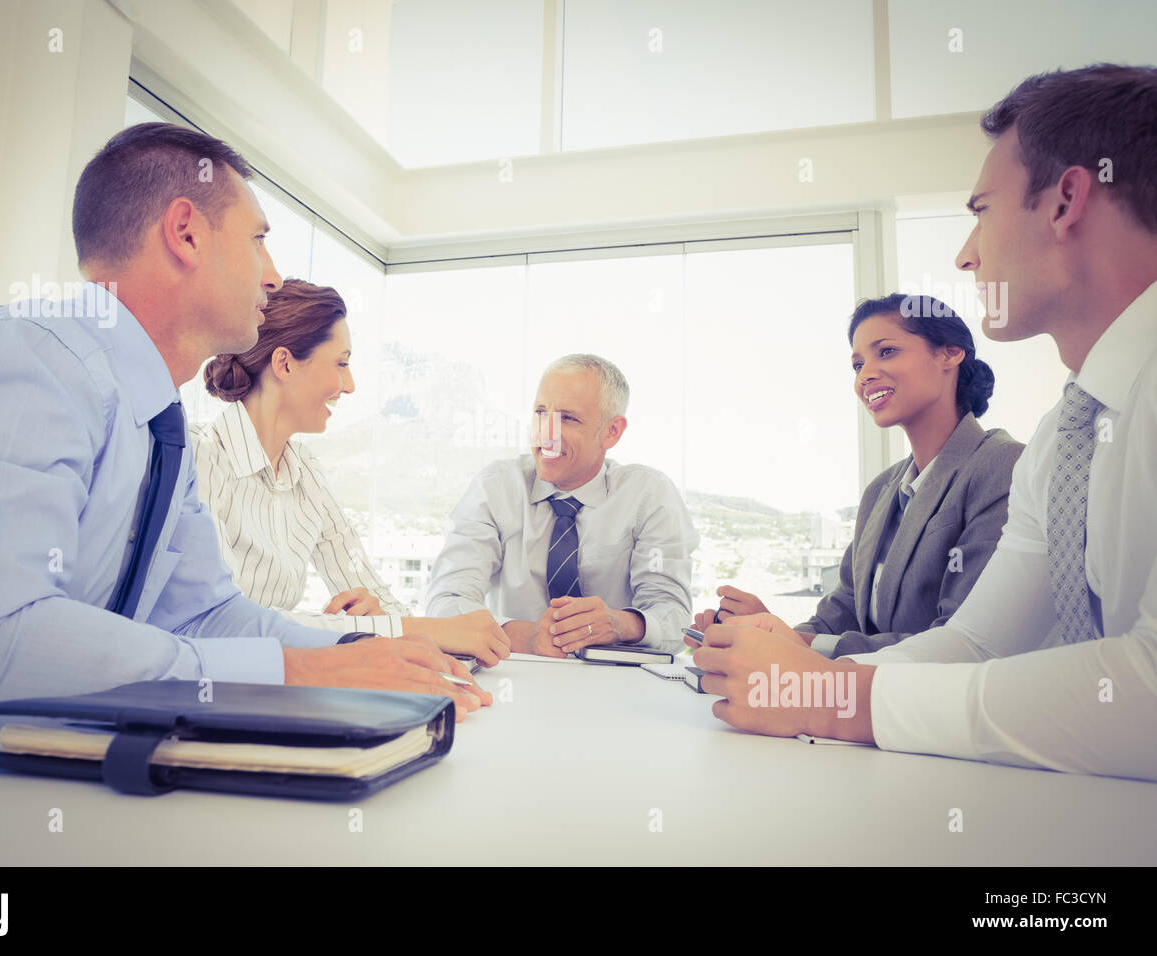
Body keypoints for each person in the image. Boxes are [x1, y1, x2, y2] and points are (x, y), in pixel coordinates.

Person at [0, 122, 487, 734]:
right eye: (258, 240)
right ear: (186, 233)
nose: (272, 275)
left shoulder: (159, 424)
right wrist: (295, 672)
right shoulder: (19, 362)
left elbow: (204, 616)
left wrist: (356, 657)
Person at [689, 63, 1157, 781]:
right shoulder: (1061, 445)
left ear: (1066, 200)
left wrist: (831, 696)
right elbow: (976, 644)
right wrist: (801, 677)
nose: (967, 255)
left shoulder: (1016, 456)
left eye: (981, 212)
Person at [192, 278, 512, 666]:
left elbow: (380, 599)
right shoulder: (202, 458)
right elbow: (221, 623)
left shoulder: (305, 474)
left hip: (283, 682)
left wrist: (380, 618)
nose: (350, 385)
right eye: (341, 364)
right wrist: (407, 630)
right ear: (285, 363)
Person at [694, 294, 1023, 657]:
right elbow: (842, 613)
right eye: (857, 364)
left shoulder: (1002, 465)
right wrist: (766, 631)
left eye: (886, 352)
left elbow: (962, 640)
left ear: (949, 352)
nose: (865, 375)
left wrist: (790, 641)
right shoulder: (881, 491)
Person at [426, 354, 698, 656]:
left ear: (612, 432)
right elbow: (445, 603)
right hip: (514, 676)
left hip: (617, 685)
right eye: (541, 413)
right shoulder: (496, 487)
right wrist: (525, 637)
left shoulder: (648, 495)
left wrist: (622, 624)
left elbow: (675, 619)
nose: (546, 435)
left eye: (568, 418)